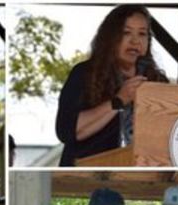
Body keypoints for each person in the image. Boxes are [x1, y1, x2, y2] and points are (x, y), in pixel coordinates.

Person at [55, 5, 170, 166]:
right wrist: (118, 101)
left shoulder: (157, 81)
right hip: (91, 171)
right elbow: (68, 130)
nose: (135, 41)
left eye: (142, 34)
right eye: (126, 33)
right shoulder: (85, 74)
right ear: (110, 38)